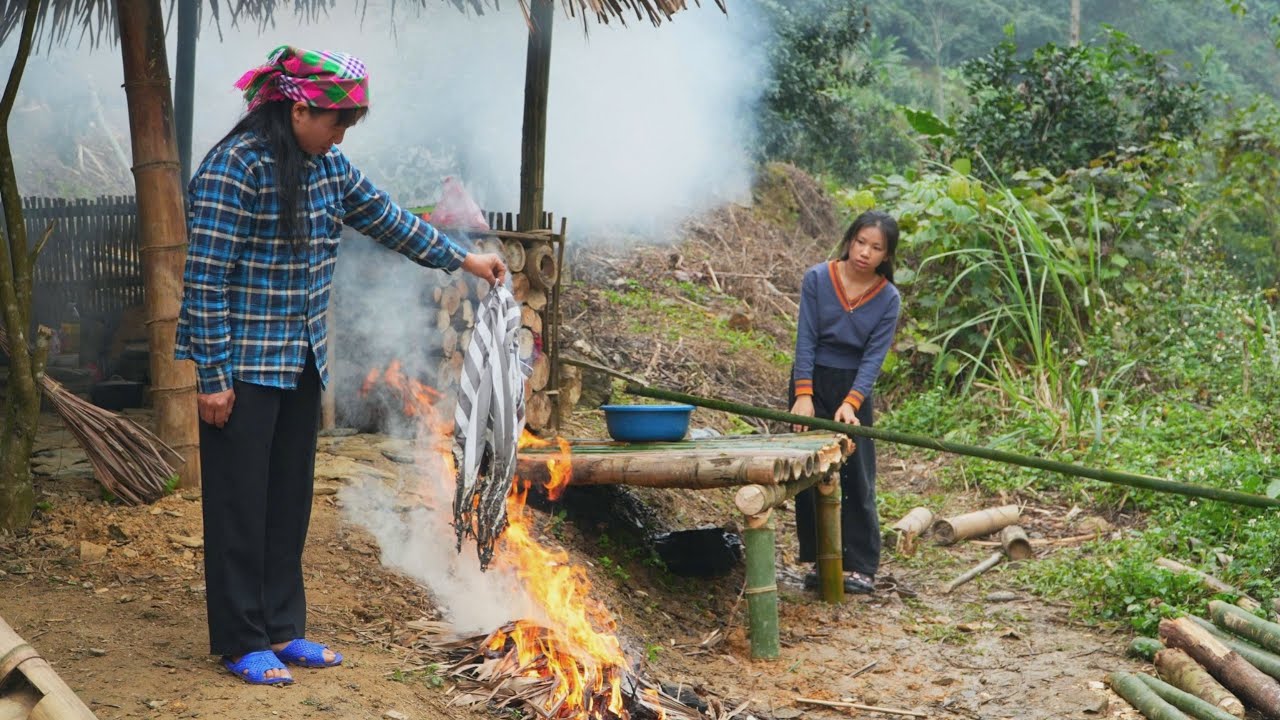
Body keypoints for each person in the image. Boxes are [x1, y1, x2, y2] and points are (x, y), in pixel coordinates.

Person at [175, 45, 507, 685]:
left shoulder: (327, 166)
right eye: (338, 123)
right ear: (299, 109)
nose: (341, 136)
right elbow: (205, 281)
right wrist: (211, 377)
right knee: (241, 503)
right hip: (241, 366)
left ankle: (282, 629)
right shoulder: (232, 169)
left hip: (299, 359)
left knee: (288, 499)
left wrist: (463, 259)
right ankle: (241, 638)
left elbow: (385, 216)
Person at [789, 210, 900, 595]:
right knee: (808, 470)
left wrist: (852, 402)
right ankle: (823, 560)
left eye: (876, 247)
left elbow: (873, 357)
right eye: (860, 242)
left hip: (853, 390)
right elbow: (806, 339)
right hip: (812, 384)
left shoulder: (888, 298)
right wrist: (803, 394)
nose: (865, 253)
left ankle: (860, 565)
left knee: (856, 474)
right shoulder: (818, 278)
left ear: (886, 256)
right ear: (849, 240)